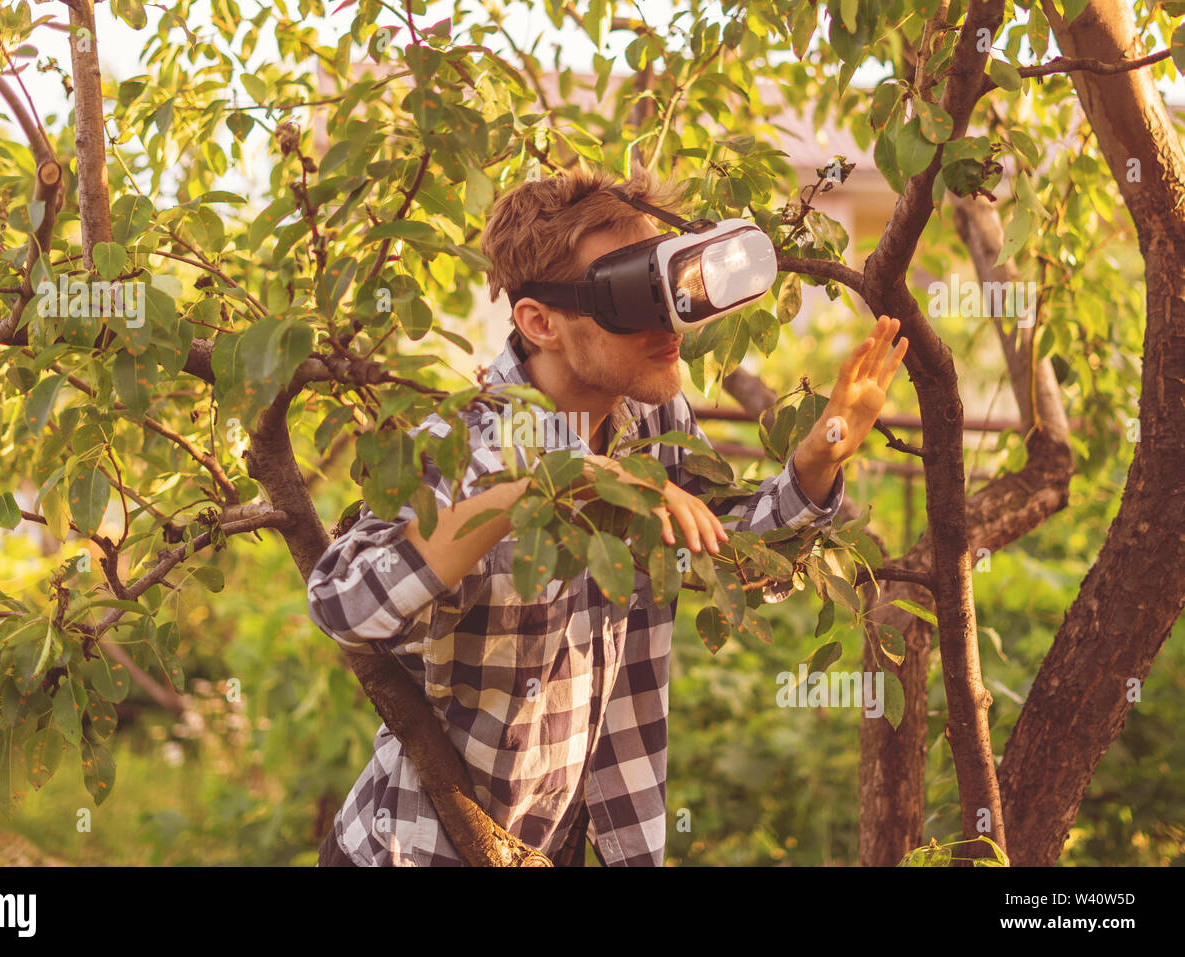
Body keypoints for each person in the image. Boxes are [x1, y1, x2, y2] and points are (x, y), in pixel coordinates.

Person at [307, 165, 909, 866]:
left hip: (547, 847)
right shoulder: (462, 438)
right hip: (412, 848)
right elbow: (339, 602)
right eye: (631, 297)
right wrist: (545, 488)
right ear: (540, 322)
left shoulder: (653, 419)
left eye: (672, 287)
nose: (669, 326)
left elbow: (726, 552)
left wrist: (816, 460)